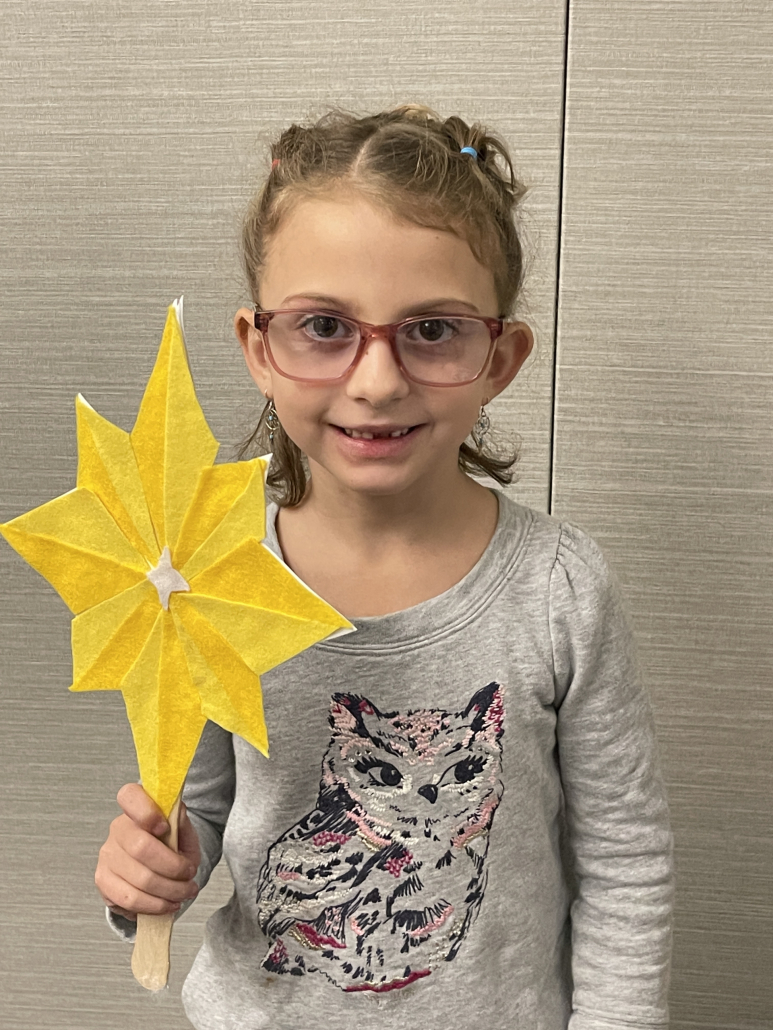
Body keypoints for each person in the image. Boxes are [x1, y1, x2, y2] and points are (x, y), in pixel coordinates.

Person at [95, 105, 674, 1030]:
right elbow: (196, 815)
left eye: (432, 330)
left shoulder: (559, 591)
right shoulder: (207, 578)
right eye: (324, 325)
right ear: (258, 349)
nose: (376, 380)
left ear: (501, 357)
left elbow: (625, 863)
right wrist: (149, 875)